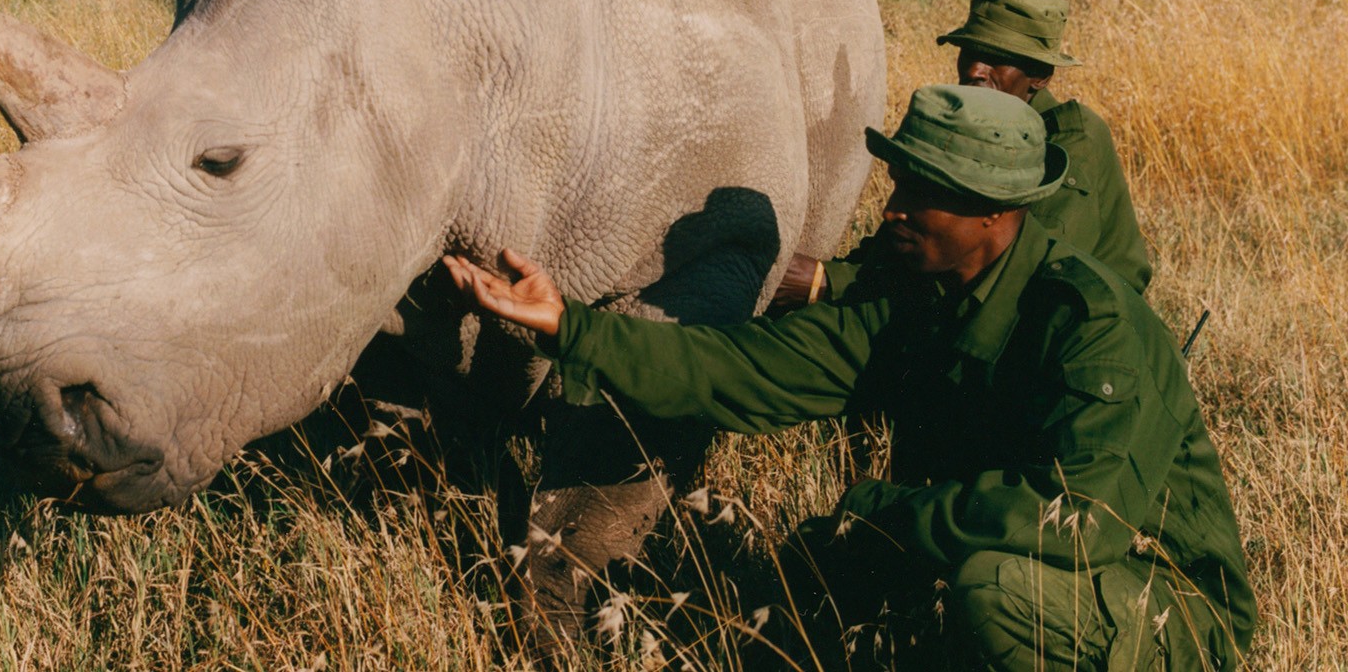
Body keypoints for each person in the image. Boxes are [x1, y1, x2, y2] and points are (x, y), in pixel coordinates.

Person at [445, 85, 1251, 669]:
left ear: (994, 215)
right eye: (897, 182)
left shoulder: (1091, 326)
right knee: (795, 591)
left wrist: (887, 515)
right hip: (1005, 562)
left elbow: (1078, 523)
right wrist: (568, 326)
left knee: (989, 596)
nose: (892, 208)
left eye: (922, 192)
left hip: (1159, 606)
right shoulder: (916, 303)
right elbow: (736, 370)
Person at [774, 0, 1151, 312]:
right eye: (969, 52)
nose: (974, 70)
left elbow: (1010, 276)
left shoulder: (1070, 142)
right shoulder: (979, 127)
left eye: (998, 59)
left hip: (1076, 321)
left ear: (1040, 76)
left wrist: (831, 284)